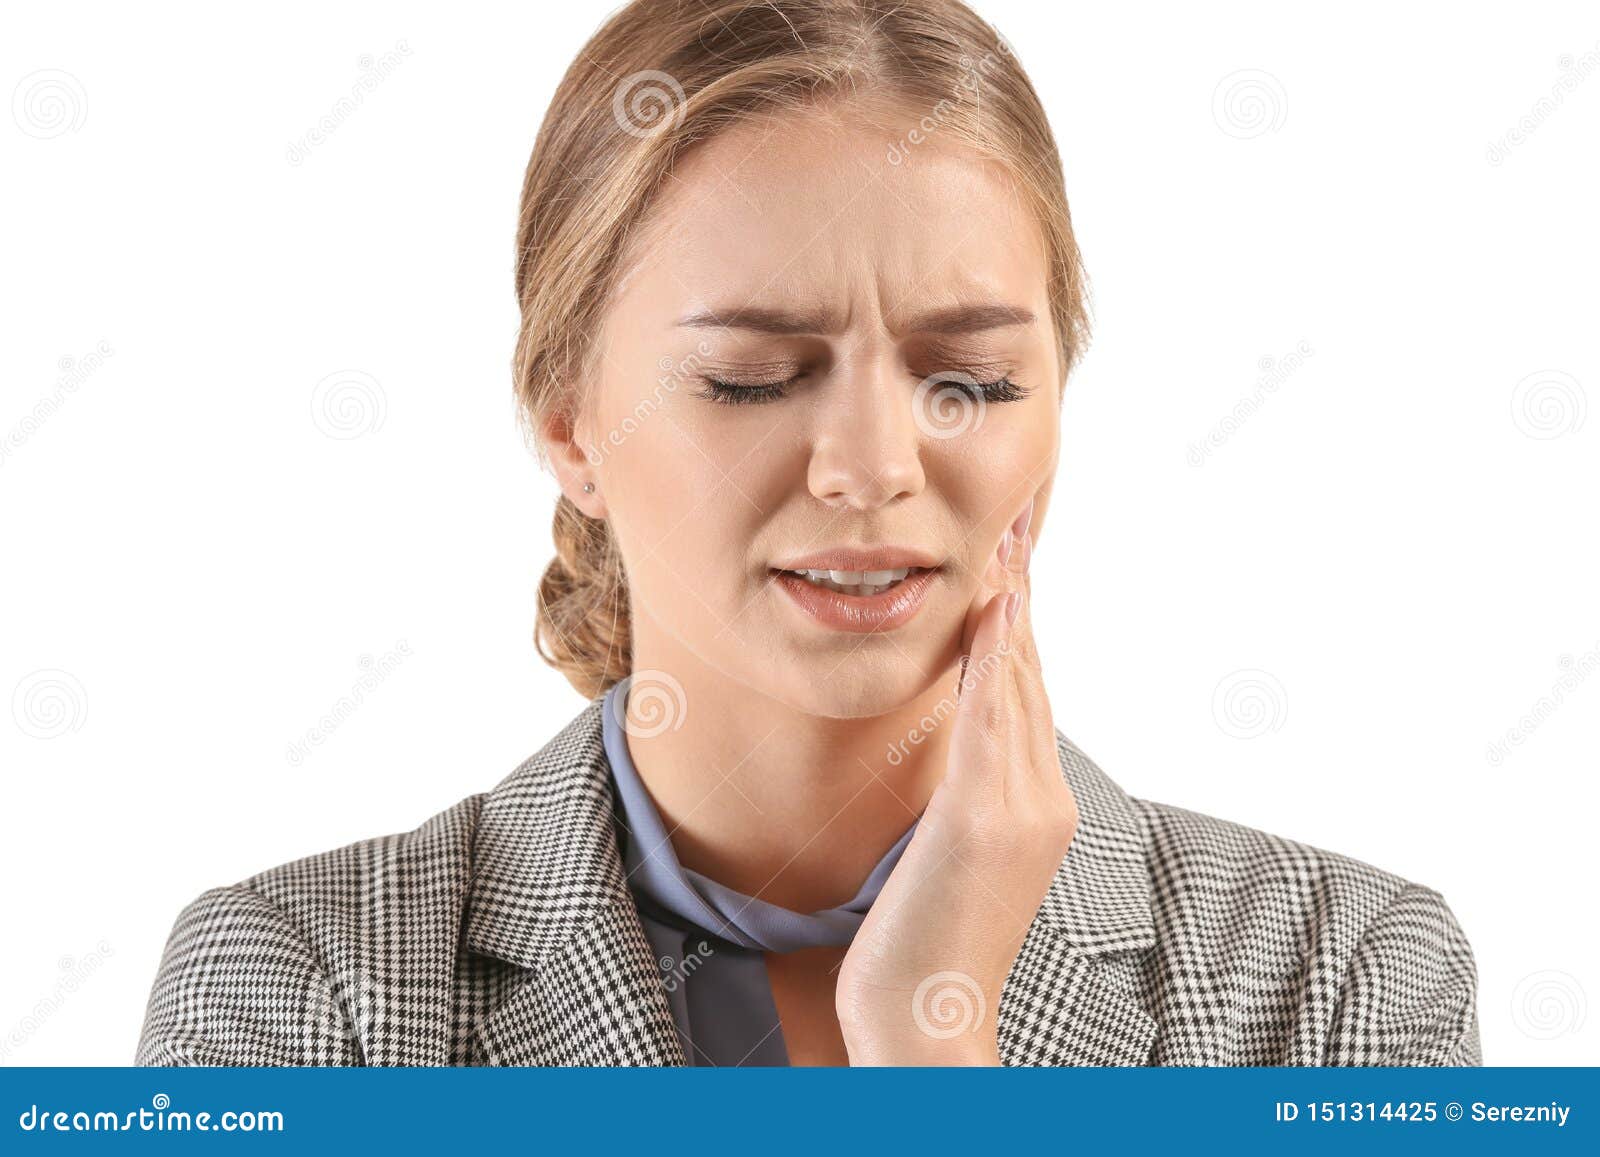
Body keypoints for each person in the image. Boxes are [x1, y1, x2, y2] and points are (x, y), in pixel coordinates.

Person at [137, 0, 1481, 1067]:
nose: (873, 468)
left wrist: (933, 1041)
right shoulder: (300, 986)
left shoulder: (1341, 979)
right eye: (753, 379)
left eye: (972, 381)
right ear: (570, 425)